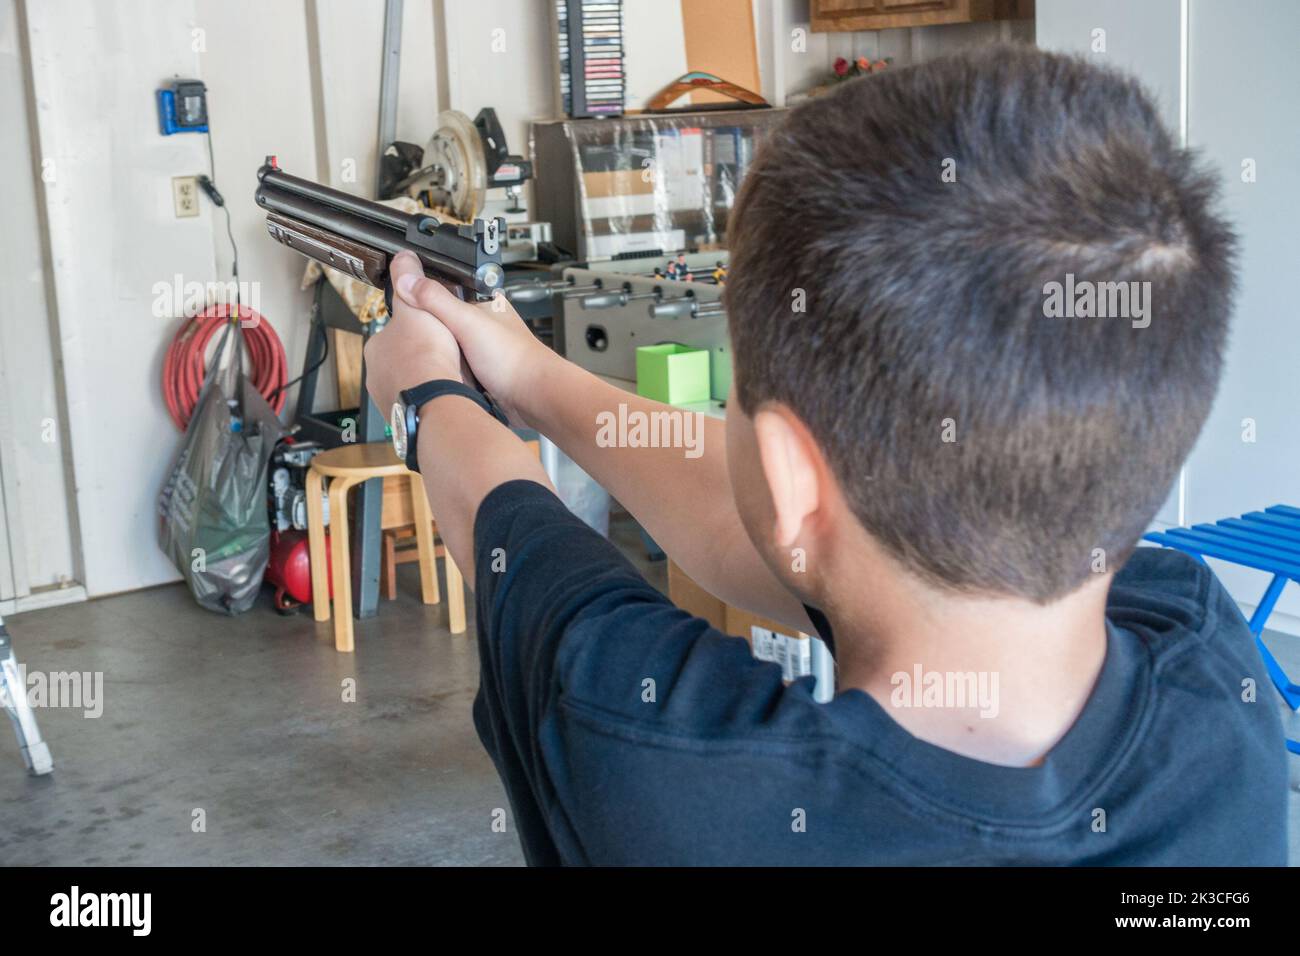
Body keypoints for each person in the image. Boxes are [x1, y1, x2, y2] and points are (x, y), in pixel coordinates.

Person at [362, 44, 1287, 865]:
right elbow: (784, 532)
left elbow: (504, 519)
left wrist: (427, 397)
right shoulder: (1209, 670)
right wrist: (524, 371)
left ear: (791, 476)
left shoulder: (668, 773)